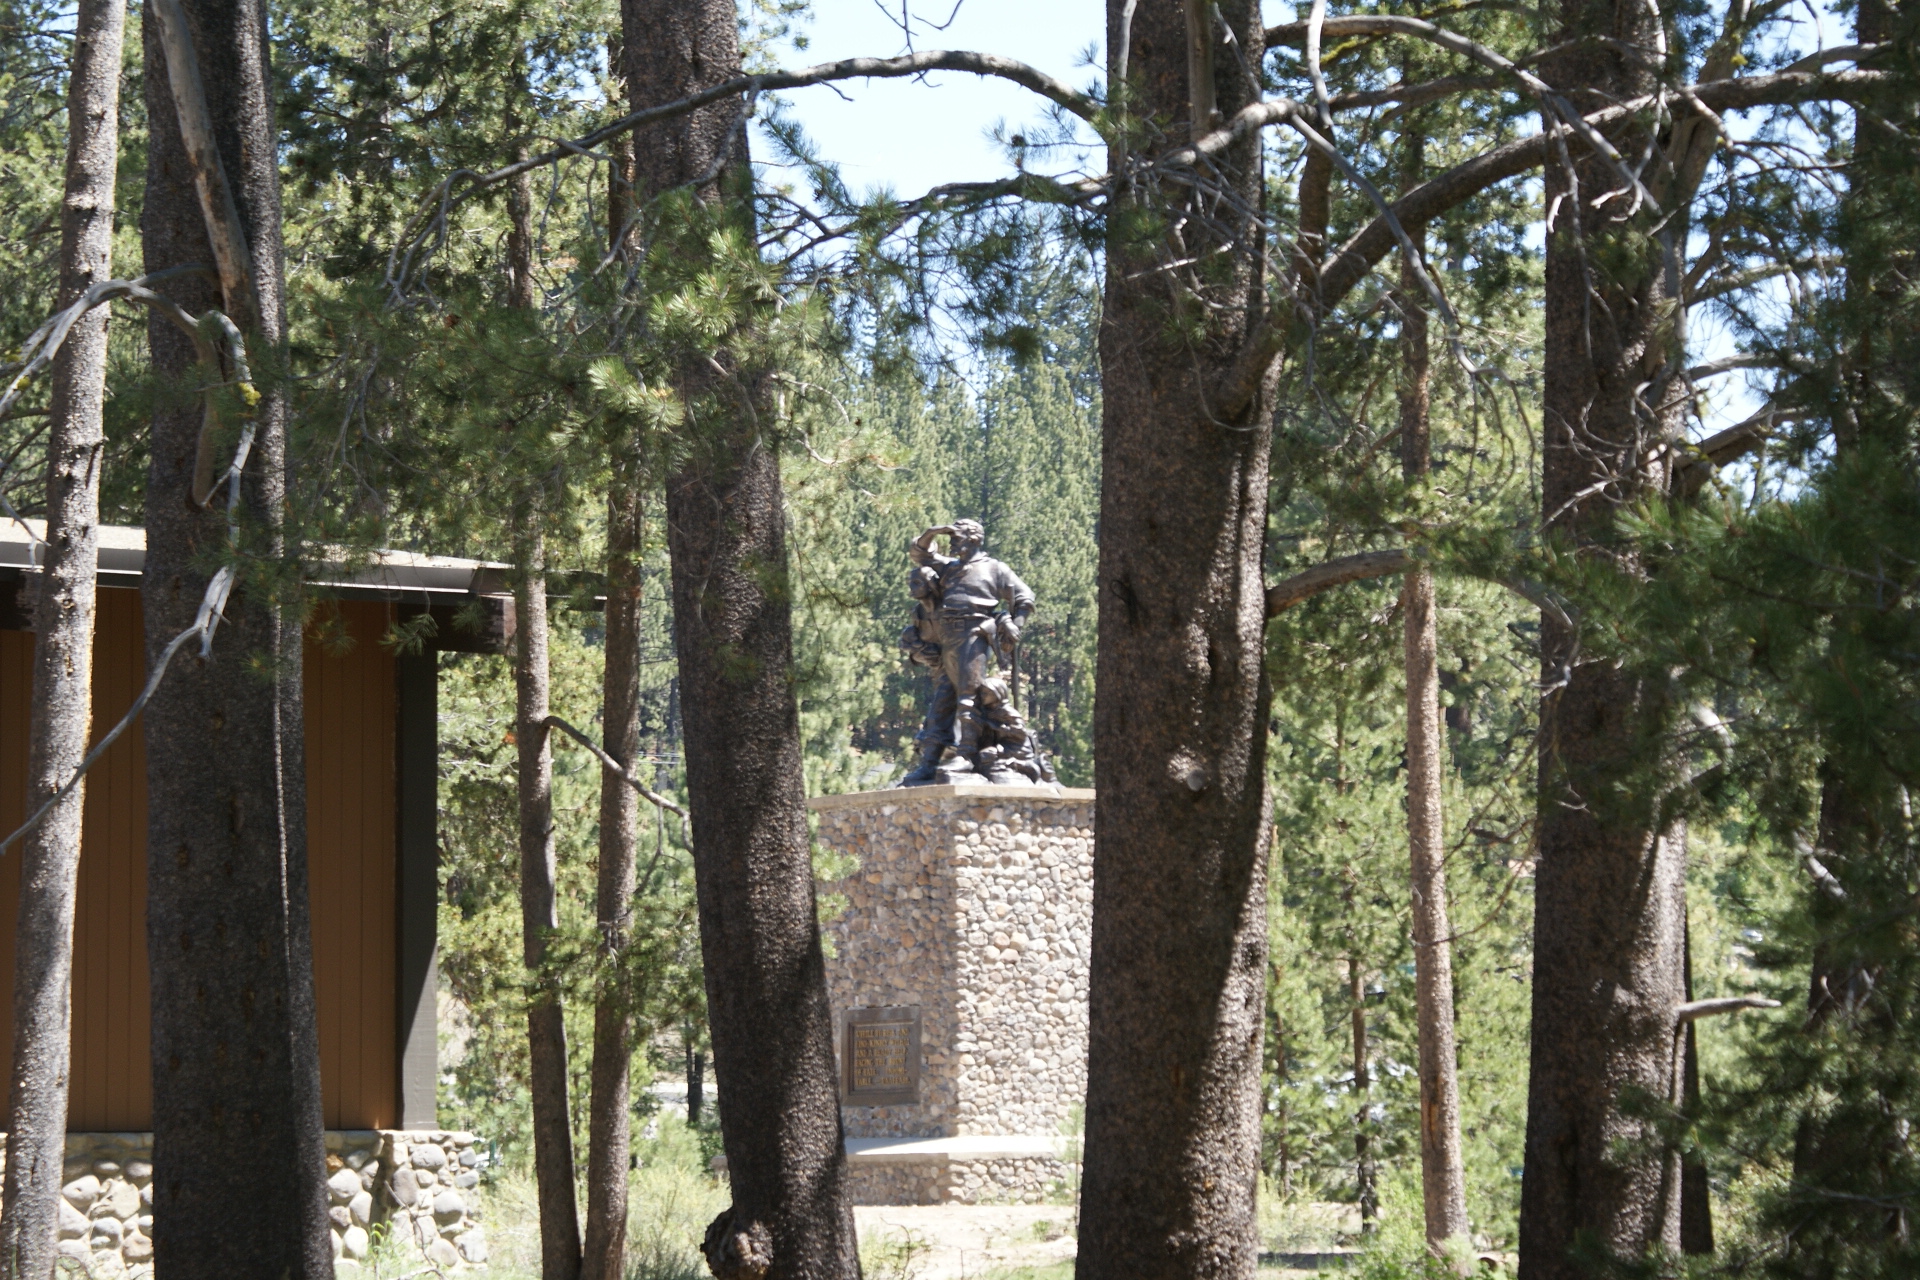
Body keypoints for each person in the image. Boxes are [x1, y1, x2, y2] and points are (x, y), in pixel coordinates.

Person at [898, 519, 1035, 784]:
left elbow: (1024, 596)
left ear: (973, 539)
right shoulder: (950, 568)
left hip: (973, 635)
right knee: (942, 702)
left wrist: (1015, 626)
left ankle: (966, 754)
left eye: (956, 538)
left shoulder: (994, 568)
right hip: (947, 637)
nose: (952, 543)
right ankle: (928, 764)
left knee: (968, 696)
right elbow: (920, 553)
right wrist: (933, 532)